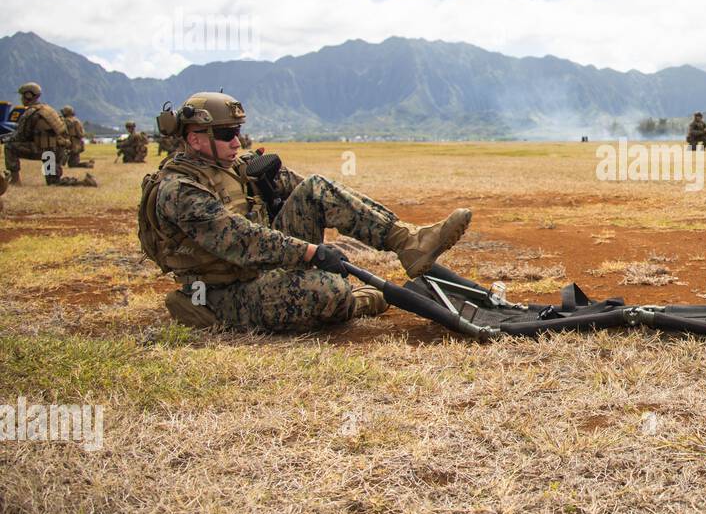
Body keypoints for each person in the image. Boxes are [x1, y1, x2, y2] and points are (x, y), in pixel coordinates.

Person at [138, 92, 472, 332]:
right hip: (220, 291)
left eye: (238, 132)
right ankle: (357, 302)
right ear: (194, 139)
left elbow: (307, 193)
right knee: (329, 292)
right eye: (226, 135)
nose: (237, 142)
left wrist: (285, 203)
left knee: (316, 188)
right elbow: (242, 241)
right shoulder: (179, 189)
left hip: (259, 270)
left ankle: (410, 242)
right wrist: (312, 252)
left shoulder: (239, 166)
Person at [3, 83, 97, 186]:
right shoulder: (48, 109)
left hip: (46, 151)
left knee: (9, 147)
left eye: (22, 95)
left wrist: (5, 139)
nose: (21, 98)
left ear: (28, 95)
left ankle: (15, 180)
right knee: (53, 182)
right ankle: (84, 182)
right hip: (58, 151)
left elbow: (22, 136)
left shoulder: (30, 113)